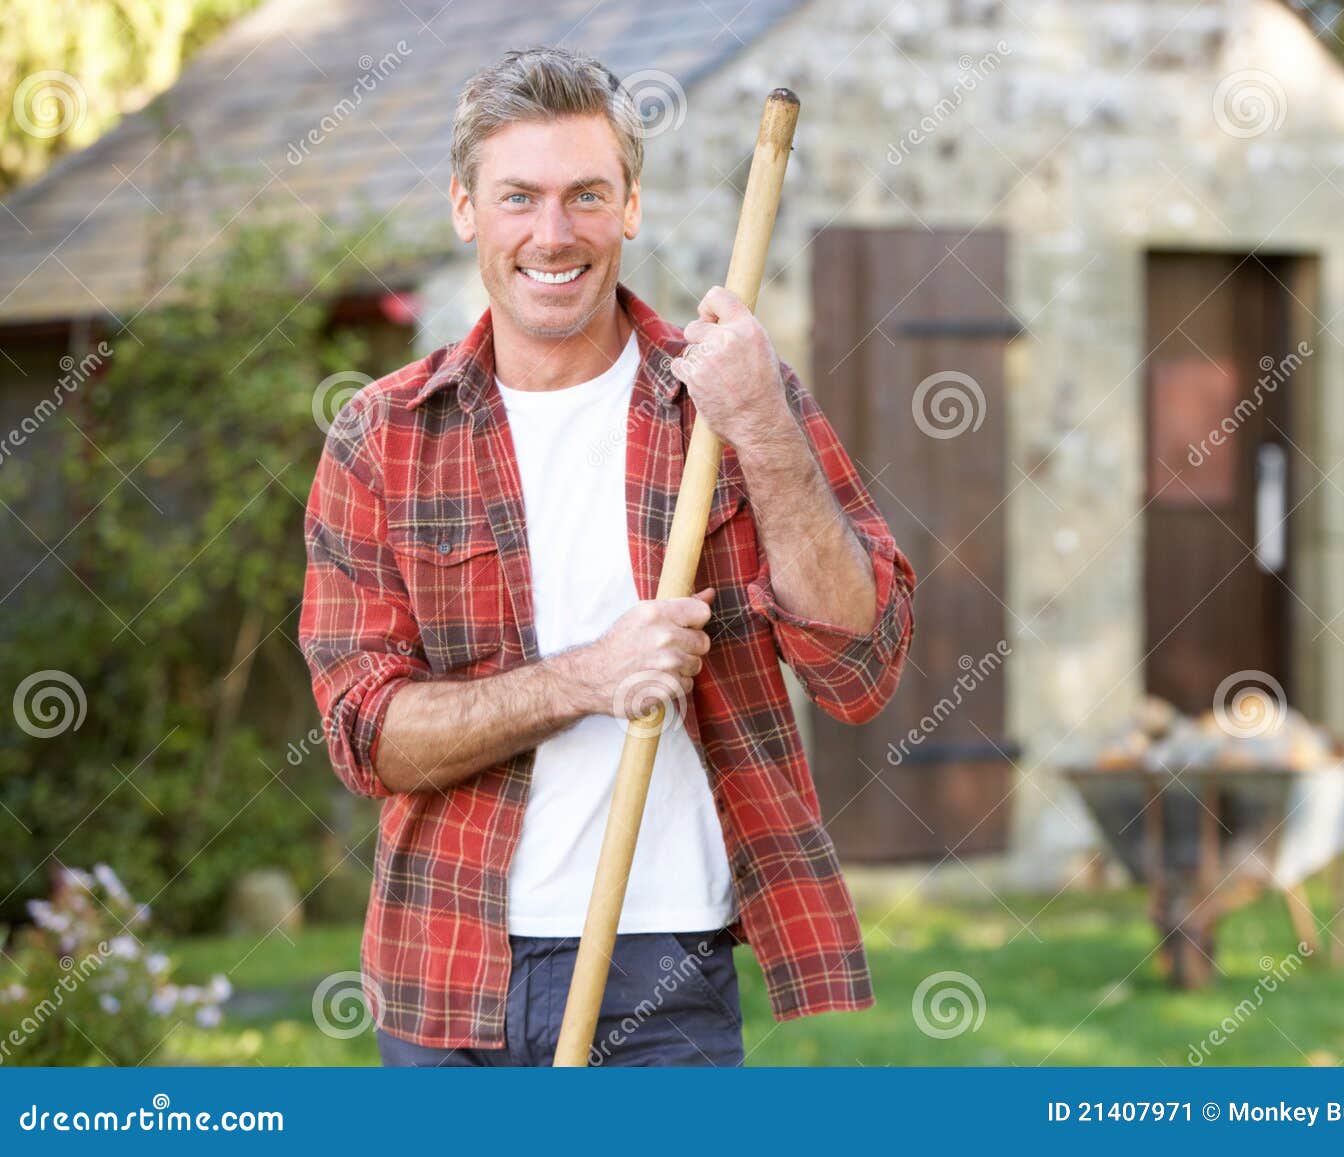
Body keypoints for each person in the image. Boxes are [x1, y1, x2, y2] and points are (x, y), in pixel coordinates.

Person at [298, 45, 915, 1067]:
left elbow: (860, 660)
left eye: (586, 193)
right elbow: (368, 735)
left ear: (629, 205)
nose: (554, 232)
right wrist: (591, 677)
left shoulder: (725, 396)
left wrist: (762, 423)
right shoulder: (384, 436)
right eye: (519, 197)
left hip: (663, 966)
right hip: (446, 967)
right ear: (465, 210)